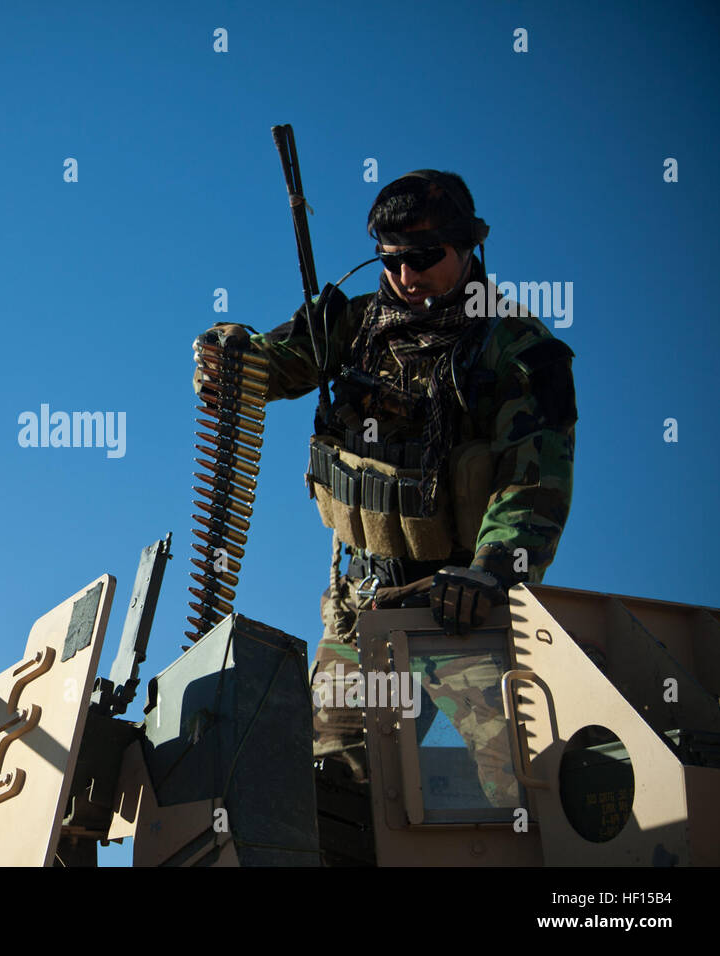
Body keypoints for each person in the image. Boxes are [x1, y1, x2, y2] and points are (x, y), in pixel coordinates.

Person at [193, 170, 577, 788]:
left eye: (424, 258)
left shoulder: (516, 351)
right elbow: (278, 362)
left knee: (509, 789)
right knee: (330, 788)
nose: (406, 276)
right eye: (391, 259)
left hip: (460, 610)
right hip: (361, 606)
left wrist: (491, 571)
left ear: (468, 246)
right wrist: (232, 358)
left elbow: (533, 485)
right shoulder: (353, 323)